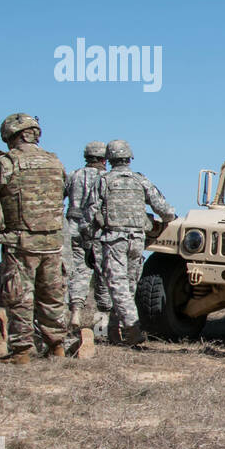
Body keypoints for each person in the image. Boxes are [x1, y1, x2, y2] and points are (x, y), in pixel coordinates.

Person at [0, 113, 69, 364]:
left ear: (13, 136)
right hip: (53, 242)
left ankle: (22, 352)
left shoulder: (6, 164)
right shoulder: (55, 162)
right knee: (52, 296)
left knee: (20, 297)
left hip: (21, 243)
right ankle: (56, 347)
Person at [86, 139, 176, 346]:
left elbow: (90, 213)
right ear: (129, 157)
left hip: (114, 240)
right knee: (128, 285)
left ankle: (133, 328)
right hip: (136, 240)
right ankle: (115, 332)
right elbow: (167, 210)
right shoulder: (140, 181)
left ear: (109, 159)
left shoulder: (104, 181)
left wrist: (89, 239)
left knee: (117, 285)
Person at [66, 141, 111, 359]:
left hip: (73, 229)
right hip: (99, 231)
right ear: (105, 159)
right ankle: (101, 327)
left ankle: (75, 312)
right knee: (103, 277)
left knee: (79, 272)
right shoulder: (106, 179)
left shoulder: (73, 175)